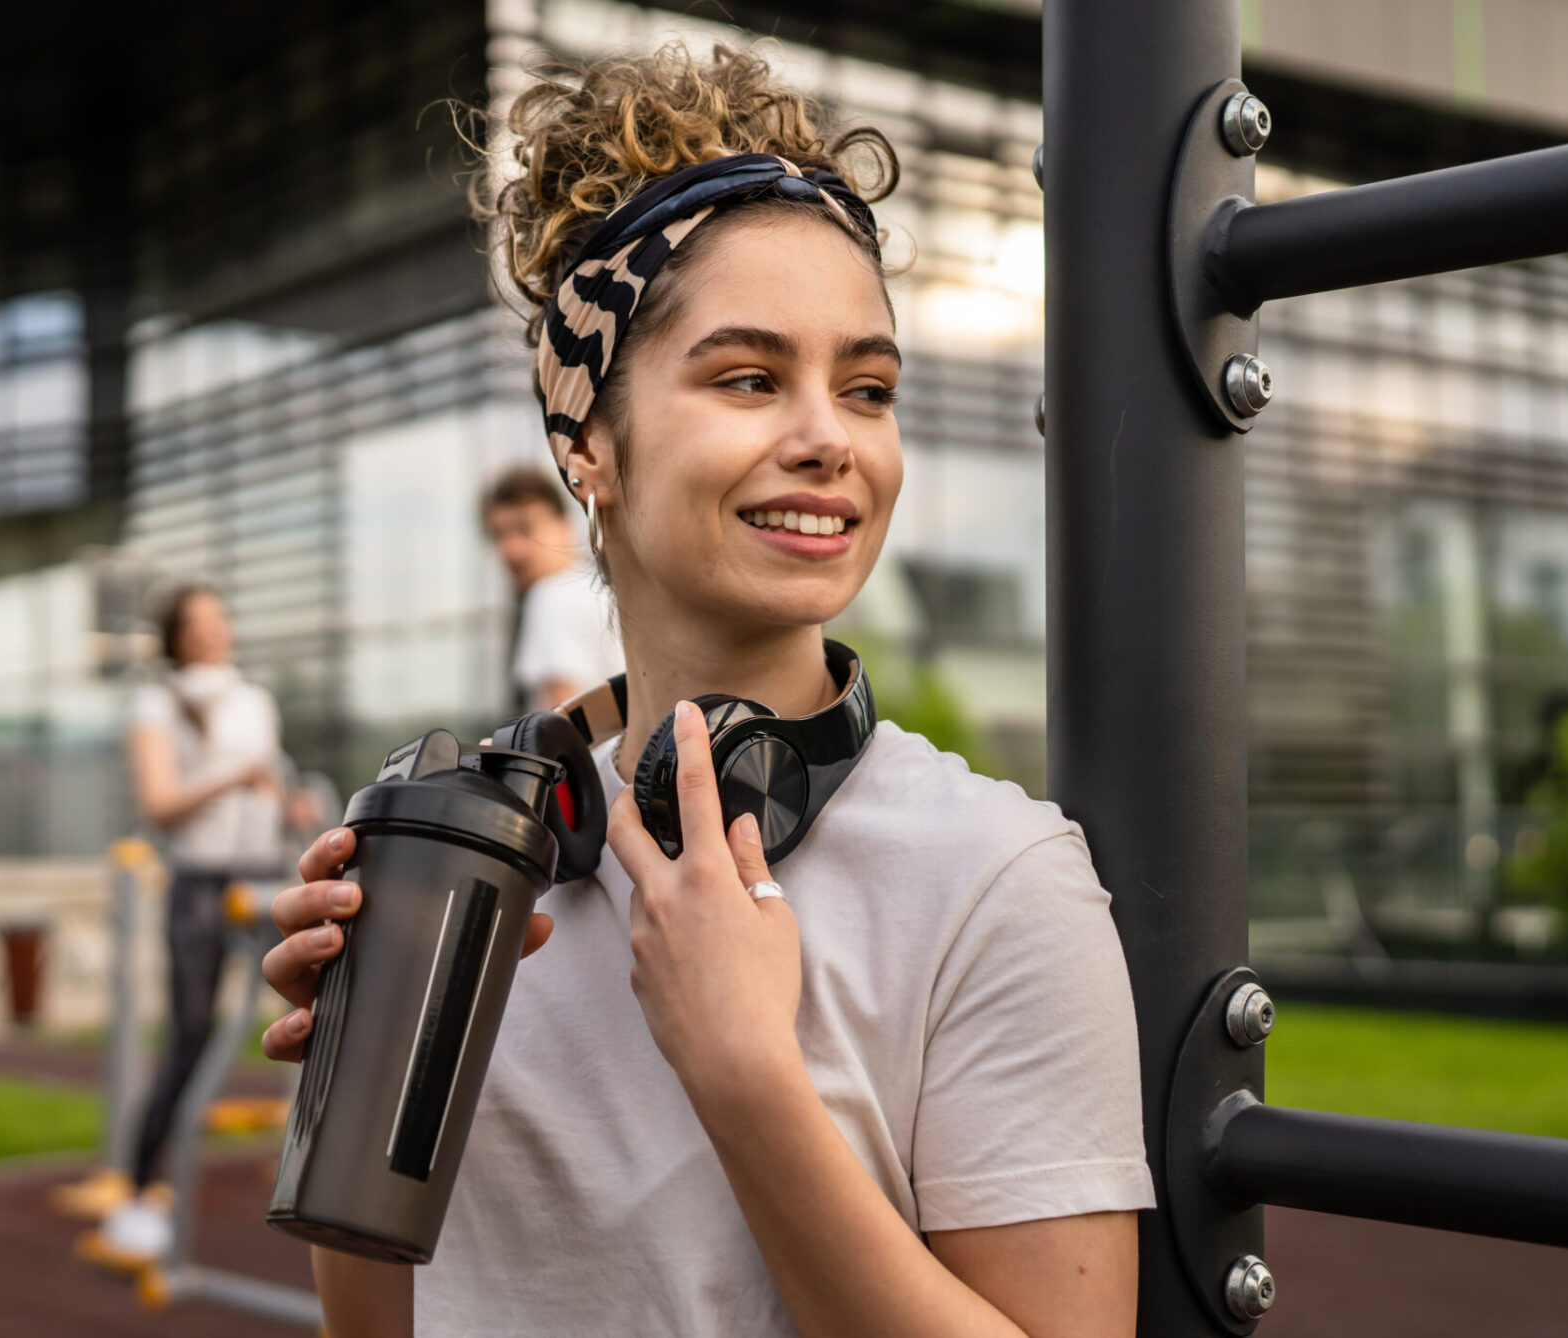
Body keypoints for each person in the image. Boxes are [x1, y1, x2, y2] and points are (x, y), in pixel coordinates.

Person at [262, 43, 1153, 1338]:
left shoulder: (993, 873)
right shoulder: (462, 855)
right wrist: (348, 1087)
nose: (829, 438)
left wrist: (744, 1072)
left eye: (869, 387)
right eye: (749, 377)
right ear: (589, 446)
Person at [98, 583, 311, 1261]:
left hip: (258, 873)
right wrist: (233, 775)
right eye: (199, 622)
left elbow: (271, 790)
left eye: (220, 618)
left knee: (316, 1015)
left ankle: (312, 1176)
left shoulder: (253, 701)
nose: (214, 631)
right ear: (176, 634)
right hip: (198, 884)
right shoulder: (157, 704)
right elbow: (160, 804)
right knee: (190, 1037)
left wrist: (290, 804)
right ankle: (134, 1193)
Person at [480, 464, 623, 711]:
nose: (511, 550)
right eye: (498, 536)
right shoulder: (602, 590)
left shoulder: (552, 596)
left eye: (525, 529)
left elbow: (566, 721)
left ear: (565, 527)